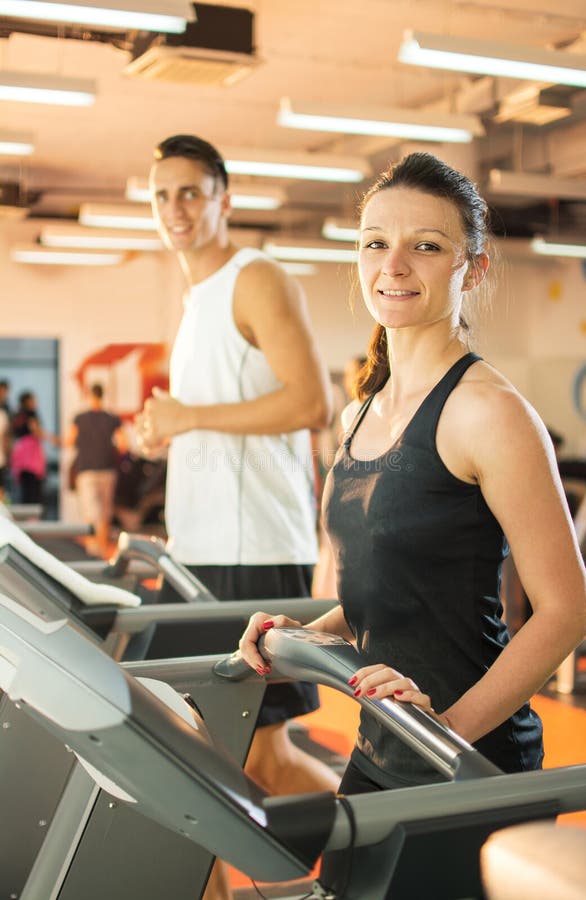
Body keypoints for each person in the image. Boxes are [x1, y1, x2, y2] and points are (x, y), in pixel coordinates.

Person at [238, 152, 586, 894]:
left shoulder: (489, 413)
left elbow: (565, 612)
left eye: (426, 245)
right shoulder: (359, 410)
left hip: (468, 756)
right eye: (375, 241)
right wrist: (307, 635)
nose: (393, 264)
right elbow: (390, 590)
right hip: (382, 746)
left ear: (475, 269)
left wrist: (449, 730)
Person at [136, 135, 338, 897]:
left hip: (253, 555)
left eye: (191, 192)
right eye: (162, 195)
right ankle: (376, 849)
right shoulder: (195, 301)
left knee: (247, 761)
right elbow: (217, 419)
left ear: (225, 197)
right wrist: (170, 433)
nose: (175, 209)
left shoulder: (255, 279)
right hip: (203, 550)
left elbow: (310, 401)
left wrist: (188, 417)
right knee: (224, 758)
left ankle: (383, 849)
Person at [64, 383, 128, 557]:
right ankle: (103, 551)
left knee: (91, 513)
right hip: (107, 469)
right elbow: (123, 445)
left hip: (87, 470)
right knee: (105, 514)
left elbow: (69, 441)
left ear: (89, 396)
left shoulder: (80, 418)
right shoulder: (112, 419)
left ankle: (92, 551)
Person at [10, 391, 54, 505]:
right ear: (28, 401)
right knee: (34, 492)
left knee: (25, 491)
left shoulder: (17, 415)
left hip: (20, 456)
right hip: (31, 457)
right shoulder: (31, 414)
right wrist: (53, 439)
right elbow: (36, 431)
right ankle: (33, 520)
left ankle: (27, 518)